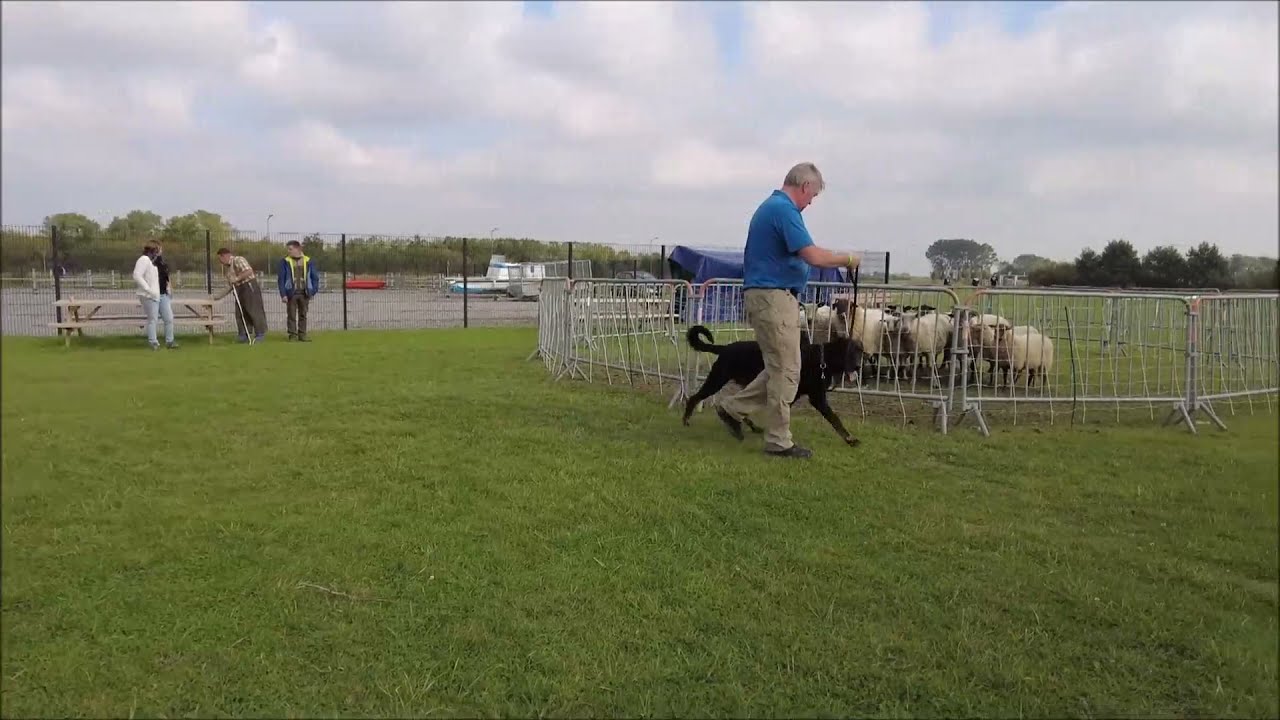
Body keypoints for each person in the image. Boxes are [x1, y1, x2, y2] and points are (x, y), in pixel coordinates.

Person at [716, 162, 861, 459]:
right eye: (813, 195)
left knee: (778, 367)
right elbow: (812, 254)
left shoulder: (772, 208)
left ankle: (733, 408)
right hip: (774, 298)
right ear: (805, 186)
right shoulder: (784, 210)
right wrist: (847, 259)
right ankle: (778, 440)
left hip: (770, 297)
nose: (811, 202)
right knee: (787, 371)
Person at [213, 248, 267, 343]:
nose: (220, 262)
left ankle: (260, 334)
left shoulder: (238, 260)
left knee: (254, 311)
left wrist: (237, 278)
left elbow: (249, 271)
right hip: (239, 290)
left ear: (224, 256)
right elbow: (230, 285)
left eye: (220, 259)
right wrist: (217, 296)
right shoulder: (228, 269)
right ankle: (243, 334)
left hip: (249, 286)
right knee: (240, 312)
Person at [276, 240, 319, 341]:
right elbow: (281, 279)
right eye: (288, 249)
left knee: (303, 314)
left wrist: (313, 291)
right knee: (291, 315)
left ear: (298, 249)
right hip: (291, 293)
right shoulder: (284, 261)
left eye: (290, 249)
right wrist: (283, 294)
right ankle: (292, 335)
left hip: (305, 293)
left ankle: (302, 334)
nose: (288, 251)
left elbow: (315, 278)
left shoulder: (308, 261)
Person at [132, 241, 163, 350]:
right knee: (152, 319)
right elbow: (137, 275)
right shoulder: (144, 260)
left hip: (153, 295)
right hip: (148, 295)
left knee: (153, 319)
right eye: (158, 249)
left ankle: (154, 341)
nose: (159, 252)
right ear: (153, 250)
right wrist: (148, 289)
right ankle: (153, 342)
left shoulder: (151, 262)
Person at [153, 241, 178, 349]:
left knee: (168, 318)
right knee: (152, 320)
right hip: (152, 295)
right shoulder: (148, 263)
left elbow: (167, 277)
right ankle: (153, 342)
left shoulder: (163, 263)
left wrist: (170, 289)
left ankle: (170, 341)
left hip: (163, 294)